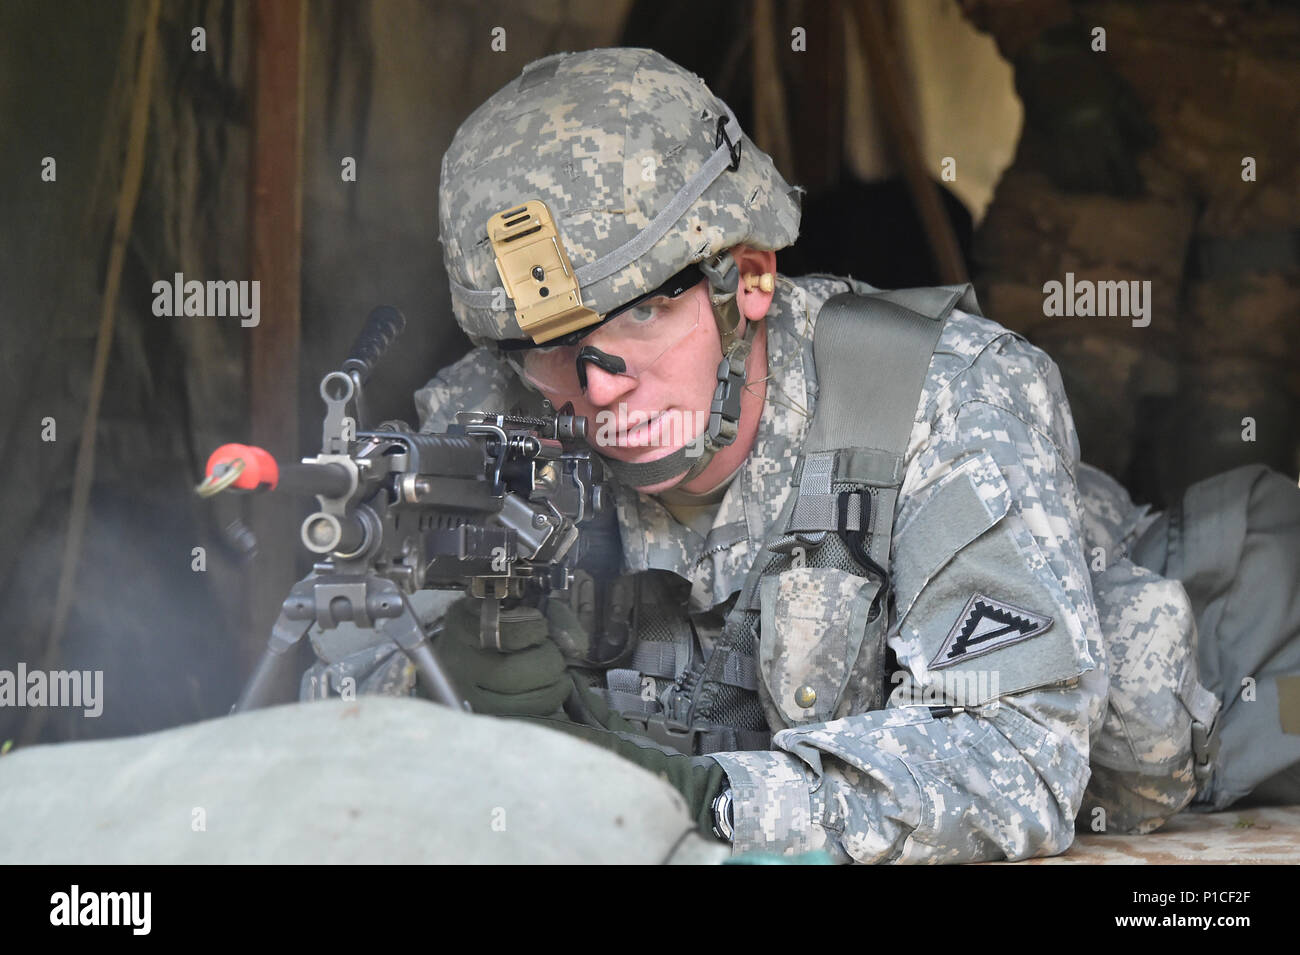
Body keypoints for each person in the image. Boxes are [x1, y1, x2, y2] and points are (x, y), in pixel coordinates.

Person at [318, 47, 1300, 863]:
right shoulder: (480, 430)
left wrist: (690, 796)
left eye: (640, 316)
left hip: (1226, 671)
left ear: (744, 279)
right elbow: (342, 743)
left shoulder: (937, 392)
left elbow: (1017, 759)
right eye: (545, 351)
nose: (595, 383)